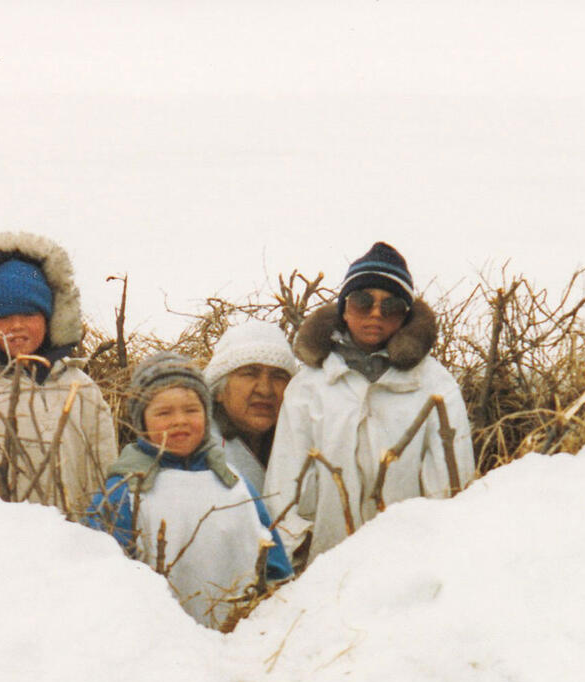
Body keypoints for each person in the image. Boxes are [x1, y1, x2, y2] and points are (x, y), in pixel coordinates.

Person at [263, 242, 479, 570]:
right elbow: (284, 485)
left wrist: (436, 560)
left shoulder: (436, 385)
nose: (375, 313)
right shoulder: (309, 386)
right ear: (345, 309)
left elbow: (451, 487)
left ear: (405, 316)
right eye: (363, 301)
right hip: (322, 569)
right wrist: (296, 556)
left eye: (390, 306)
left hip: (405, 568)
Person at [86, 352, 295, 630]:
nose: (180, 421)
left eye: (191, 410)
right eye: (164, 412)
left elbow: (273, 562)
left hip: (242, 638)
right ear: (141, 421)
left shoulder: (234, 483)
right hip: (162, 643)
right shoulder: (126, 490)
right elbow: (100, 574)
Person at [0, 231, 117, 519]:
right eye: (4, 317)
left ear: (49, 318)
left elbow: (106, 473)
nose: (17, 326)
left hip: (72, 545)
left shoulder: (80, 388)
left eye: (30, 315)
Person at [202, 320, 299, 492]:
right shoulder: (195, 454)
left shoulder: (300, 445)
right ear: (219, 391)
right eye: (249, 374)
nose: (265, 390)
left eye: (278, 376)